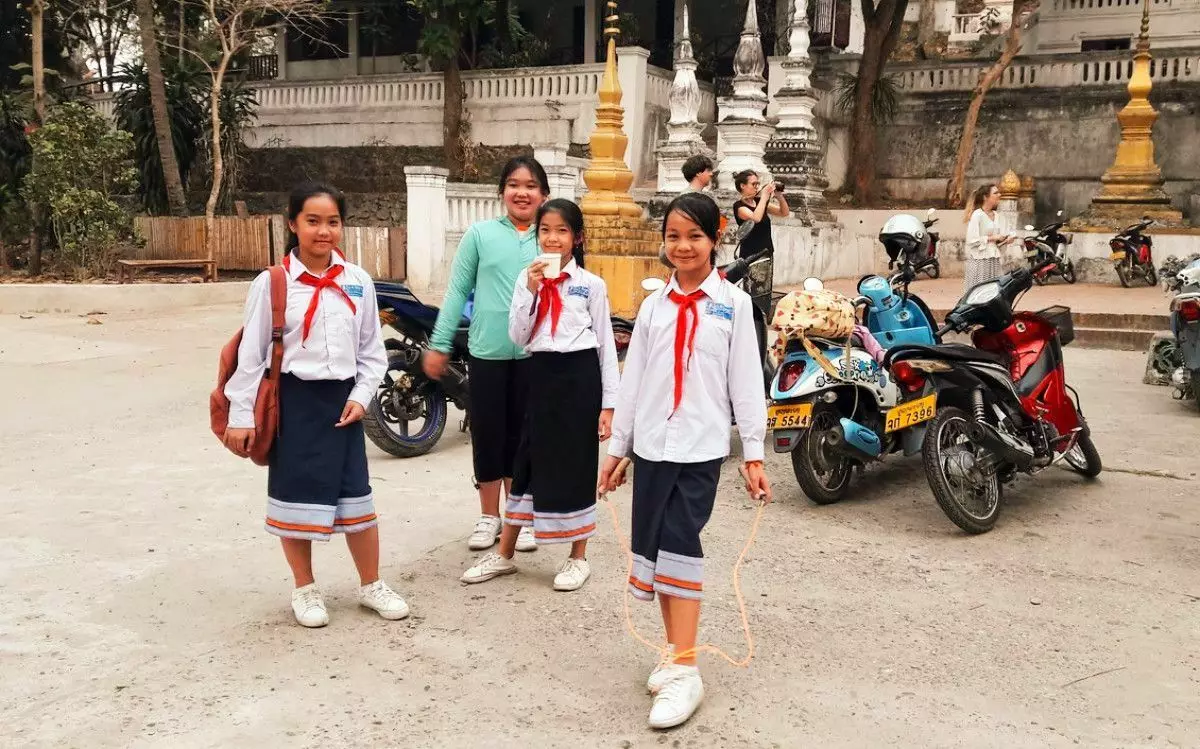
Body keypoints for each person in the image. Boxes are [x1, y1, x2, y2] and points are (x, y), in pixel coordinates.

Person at [597, 192, 771, 730]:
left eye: (695, 235)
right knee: (652, 548)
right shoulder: (653, 307)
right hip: (651, 446)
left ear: (715, 239)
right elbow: (633, 385)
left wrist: (755, 454)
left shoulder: (734, 305)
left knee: (680, 542)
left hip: (699, 448)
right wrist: (617, 450)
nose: (684, 246)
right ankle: (675, 652)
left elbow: (745, 381)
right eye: (674, 236)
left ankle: (688, 669)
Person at [223, 182, 409, 628]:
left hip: (343, 404)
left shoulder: (358, 282)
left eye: (332, 222)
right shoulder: (273, 284)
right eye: (313, 221)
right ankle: (304, 589)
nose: (323, 231)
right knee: (294, 496)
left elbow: (372, 352)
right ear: (292, 224)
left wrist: (362, 399)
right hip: (294, 402)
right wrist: (241, 415)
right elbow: (251, 356)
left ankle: (371, 585)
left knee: (357, 497)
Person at [460, 198, 619, 592]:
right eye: (545, 230)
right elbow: (518, 335)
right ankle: (505, 554)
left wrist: (609, 405)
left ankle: (577, 557)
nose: (552, 238)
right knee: (526, 459)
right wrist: (531, 291)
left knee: (578, 464)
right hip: (541, 375)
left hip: (580, 379)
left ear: (576, 238)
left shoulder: (590, 285)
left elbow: (605, 348)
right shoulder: (524, 279)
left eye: (562, 231)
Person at [424, 157, 549, 555]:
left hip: (535, 354)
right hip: (487, 352)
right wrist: (440, 343)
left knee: (525, 438)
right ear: (502, 192)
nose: (522, 192)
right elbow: (456, 292)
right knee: (488, 434)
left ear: (544, 194)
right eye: (513, 184)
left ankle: (519, 516)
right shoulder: (479, 235)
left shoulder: (551, 238)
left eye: (531, 185)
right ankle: (488, 516)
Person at [964, 183, 1016, 291]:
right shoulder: (977, 215)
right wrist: (992, 238)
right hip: (980, 260)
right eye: (995, 193)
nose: (999, 195)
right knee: (978, 291)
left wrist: (1007, 239)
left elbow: (1001, 238)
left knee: (994, 291)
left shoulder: (998, 216)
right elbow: (972, 240)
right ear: (985, 197)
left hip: (994, 259)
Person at [732, 169, 790, 259]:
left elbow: (784, 213)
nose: (756, 187)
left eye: (758, 184)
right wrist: (764, 196)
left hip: (766, 253)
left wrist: (779, 196)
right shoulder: (739, 206)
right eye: (753, 184)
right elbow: (756, 218)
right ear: (742, 185)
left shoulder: (759, 202)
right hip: (750, 255)